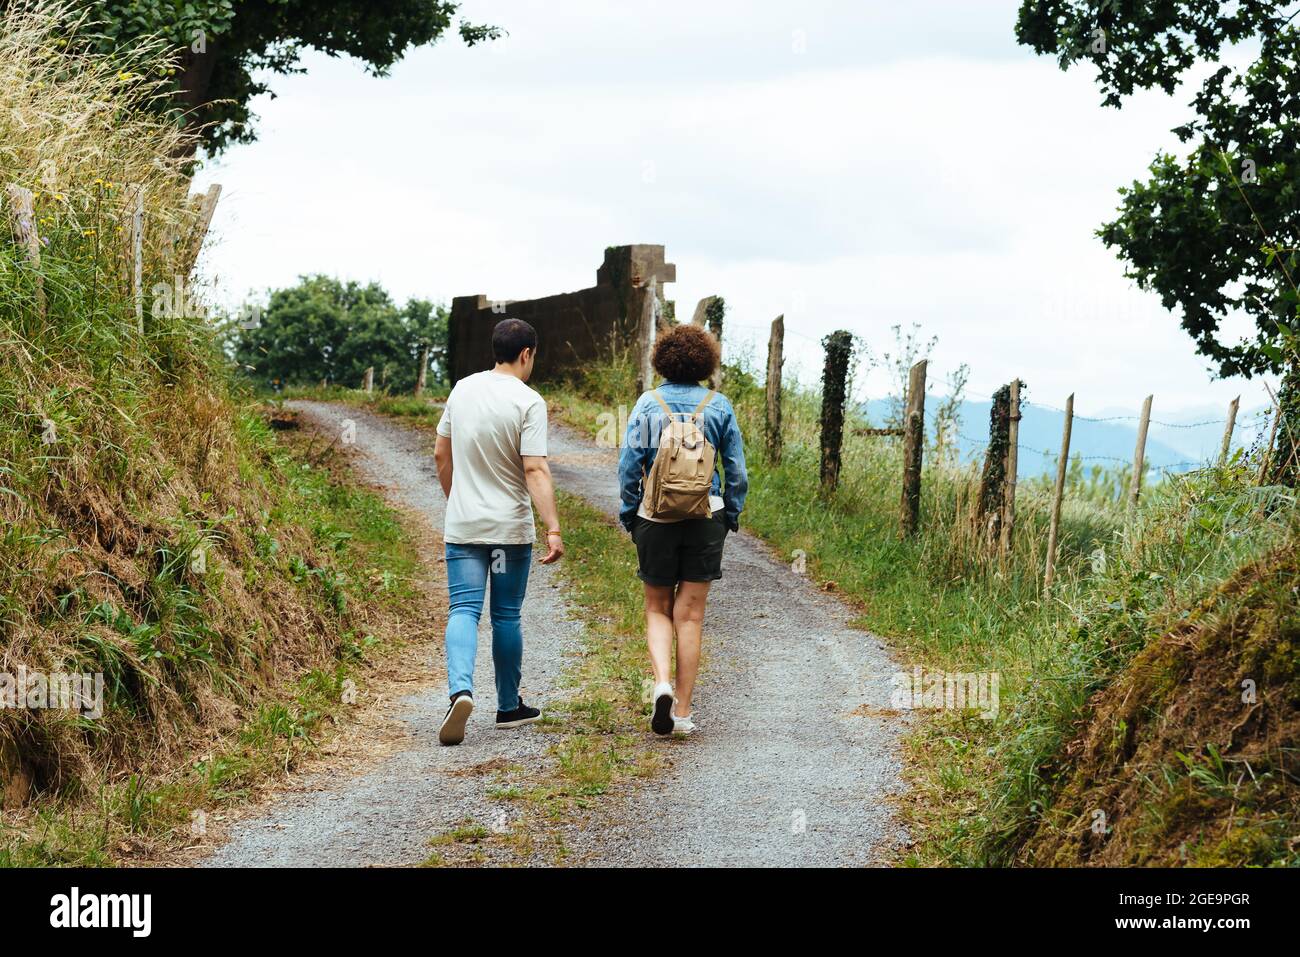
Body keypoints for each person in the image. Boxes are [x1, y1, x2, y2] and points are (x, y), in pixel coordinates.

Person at [433, 318, 564, 746]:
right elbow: (534, 467)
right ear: (526, 353)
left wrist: (456, 500)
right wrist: (553, 528)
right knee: (505, 615)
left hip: (464, 525)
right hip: (507, 531)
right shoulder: (529, 402)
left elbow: (440, 453)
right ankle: (509, 706)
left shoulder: (462, 389)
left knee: (464, 610)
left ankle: (461, 691)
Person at [618, 324, 748, 736]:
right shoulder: (719, 405)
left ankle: (661, 685)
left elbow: (628, 465)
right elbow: (737, 472)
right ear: (705, 361)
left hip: (655, 518)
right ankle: (685, 714)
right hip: (705, 516)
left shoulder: (647, 404)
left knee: (657, 607)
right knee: (689, 616)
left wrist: (630, 513)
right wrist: (730, 513)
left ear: (663, 359)